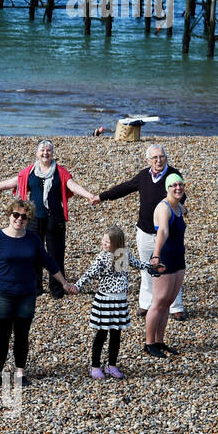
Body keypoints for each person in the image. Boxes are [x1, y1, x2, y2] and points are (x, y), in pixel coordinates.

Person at [0, 199, 79, 385]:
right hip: (4, 293)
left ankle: (20, 373)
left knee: (22, 334)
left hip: (27, 293)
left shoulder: (33, 239)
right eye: (16, 215)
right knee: (2, 333)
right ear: (9, 215)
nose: (19, 219)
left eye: (24, 217)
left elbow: (48, 262)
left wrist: (64, 283)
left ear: (28, 219)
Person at [0, 140, 95, 299]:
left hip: (55, 220)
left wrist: (90, 196)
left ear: (52, 153)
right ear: (37, 153)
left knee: (55, 255)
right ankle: (36, 288)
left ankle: (57, 290)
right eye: (42, 150)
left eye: (48, 151)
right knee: (33, 254)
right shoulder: (29, 172)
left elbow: (73, 186)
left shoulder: (60, 172)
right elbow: (10, 182)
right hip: (33, 219)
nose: (45, 153)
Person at [93, 144, 187, 322]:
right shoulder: (144, 176)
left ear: (166, 157)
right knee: (146, 268)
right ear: (148, 160)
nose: (159, 160)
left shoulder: (173, 174)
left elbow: (180, 193)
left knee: (171, 268)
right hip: (144, 230)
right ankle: (145, 303)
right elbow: (125, 187)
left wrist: (181, 205)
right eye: (155, 158)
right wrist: (102, 196)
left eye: (162, 156)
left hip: (166, 233)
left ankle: (176, 307)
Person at [73, 226, 146, 379]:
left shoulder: (124, 255)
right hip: (105, 300)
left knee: (116, 334)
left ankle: (111, 365)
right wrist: (77, 286)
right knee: (101, 334)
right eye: (103, 240)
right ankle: (95, 366)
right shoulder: (102, 257)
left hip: (119, 300)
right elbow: (90, 273)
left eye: (107, 242)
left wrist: (152, 268)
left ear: (117, 244)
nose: (103, 243)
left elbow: (138, 264)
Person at [144, 173, 188, 358]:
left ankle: (160, 341)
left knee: (168, 303)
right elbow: (162, 230)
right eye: (173, 185)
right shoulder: (164, 208)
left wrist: (184, 209)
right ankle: (149, 343)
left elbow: (183, 211)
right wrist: (156, 255)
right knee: (158, 303)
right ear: (167, 188)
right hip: (165, 259)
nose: (177, 188)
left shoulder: (177, 207)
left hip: (179, 259)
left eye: (180, 184)